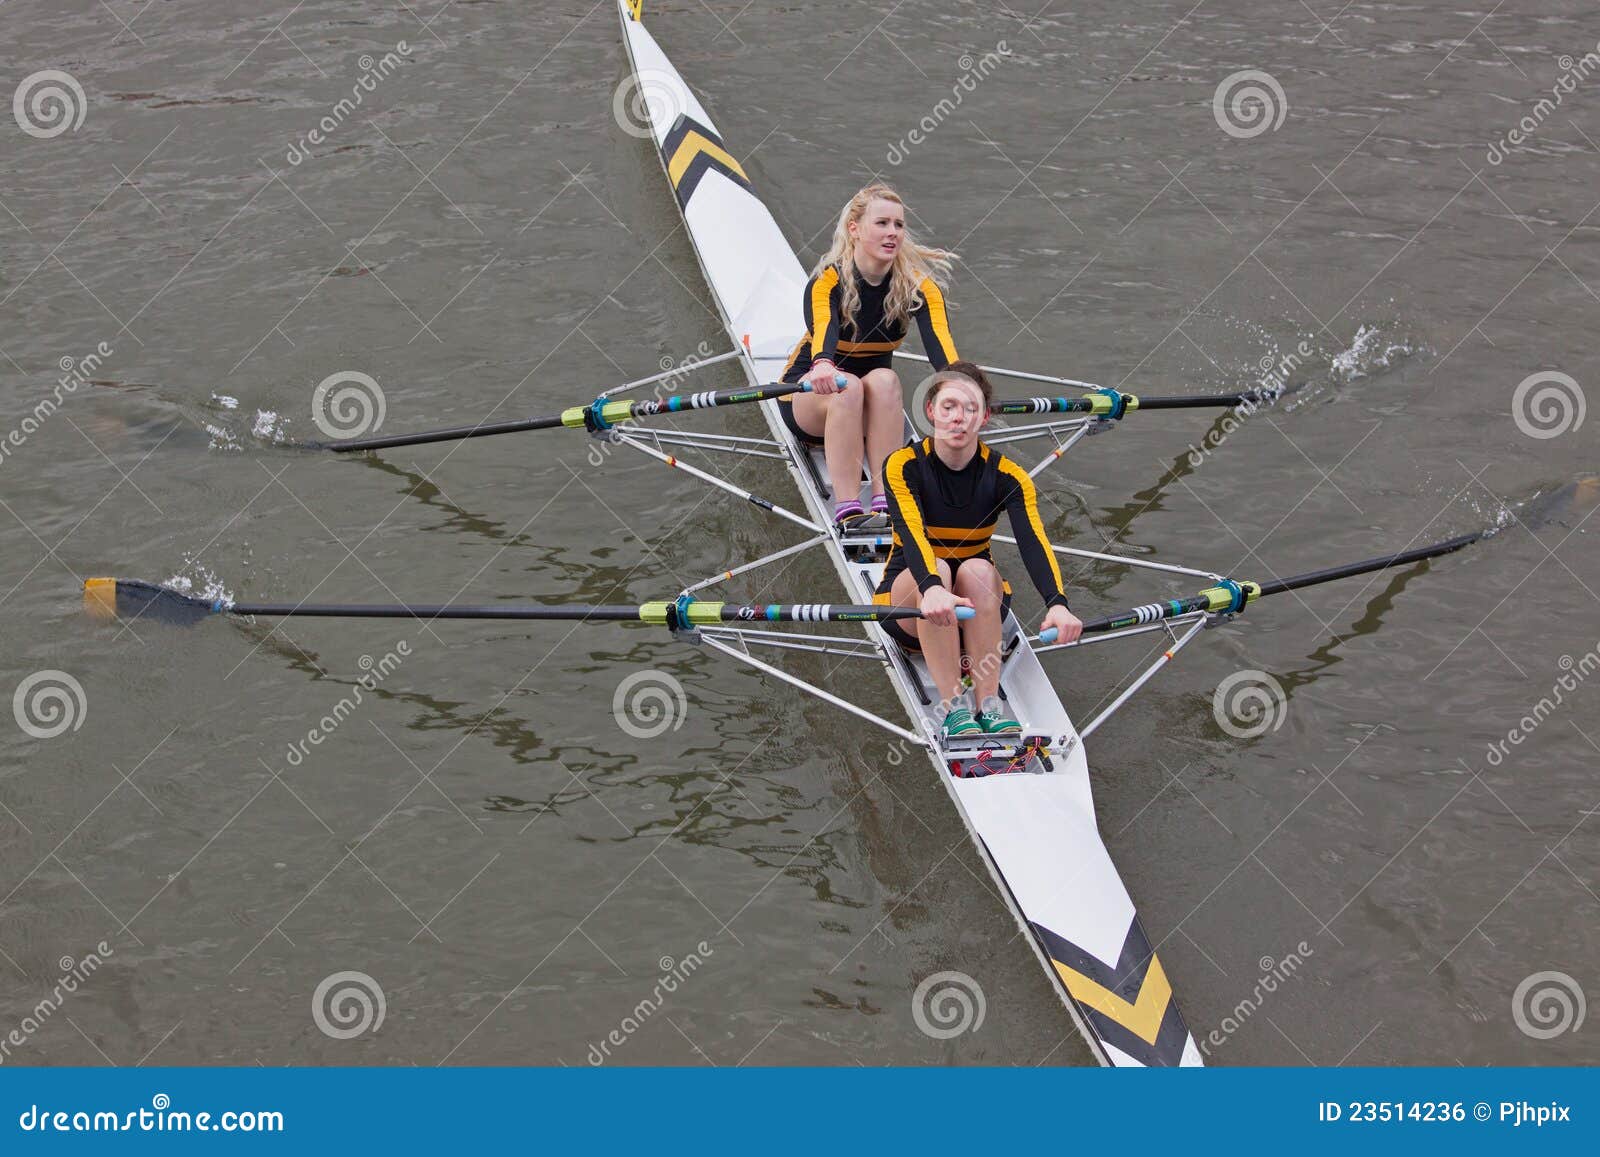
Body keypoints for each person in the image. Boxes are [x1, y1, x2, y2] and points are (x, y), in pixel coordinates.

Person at [876, 361, 1084, 735]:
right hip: (910, 602)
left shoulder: (1008, 476)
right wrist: (933, 588)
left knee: (979, 570)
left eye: (970, 408)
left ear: (984, 417)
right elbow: (912, 534)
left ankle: (988, 703)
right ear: (930, 411)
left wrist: (1058, 604)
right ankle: (954, 707)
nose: (959, 418)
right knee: (938, 569)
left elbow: (1033, 541)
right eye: (949, 407)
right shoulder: (902, 465)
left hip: (973, 605)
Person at [779, 183, 960, 526]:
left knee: (887, 379)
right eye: (882, 223)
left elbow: (944, 351)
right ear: (854, 229)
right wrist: (822, 365)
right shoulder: (827, 281)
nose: (893, 232)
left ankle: (884, 500)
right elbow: (824, 337)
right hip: (810, 400)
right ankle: (847, 509)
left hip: (868, 405)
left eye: (899, 225)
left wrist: (960, 386)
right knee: (848, 386)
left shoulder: (919, 287)